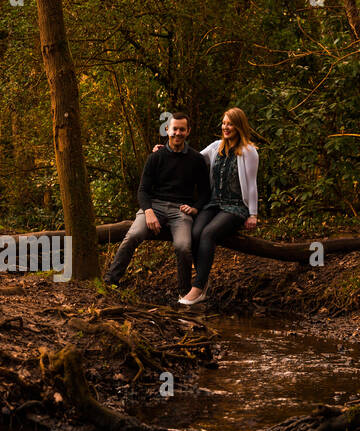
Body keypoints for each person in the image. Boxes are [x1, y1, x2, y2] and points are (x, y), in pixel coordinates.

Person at [104, 111, 211, 296]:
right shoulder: (156, 157)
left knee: (183, 247)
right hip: (155, 206)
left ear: (188, 131)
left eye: (182, 130)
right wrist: (148, 212)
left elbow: (205, 192)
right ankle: (110, 282)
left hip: (181, 211)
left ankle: (184, 295)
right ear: (167, 129)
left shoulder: (196, 159)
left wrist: (195, 208)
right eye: (174, 129)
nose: (177, 133)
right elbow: (143, 189)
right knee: (133, 235)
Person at [178, 108, 260, 305]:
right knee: (195, 231)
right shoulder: (216, 146)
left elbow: (252, 183)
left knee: (208, 233)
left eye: (230, 124)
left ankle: (197, 288)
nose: (226, 127)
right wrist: (166, 150)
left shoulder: (249, 151)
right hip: (213, 203)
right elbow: (194, 158)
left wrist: (253, 214)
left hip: (235, 207)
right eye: (224, 123)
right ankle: (203, 283)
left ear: (239, 126)